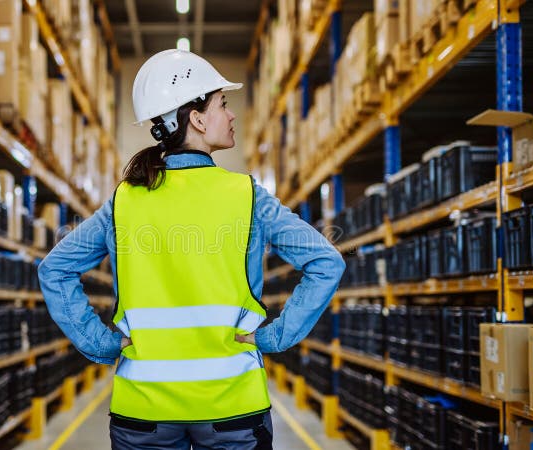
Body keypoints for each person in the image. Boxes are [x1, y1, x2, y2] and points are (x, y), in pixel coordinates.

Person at [38, 49, 345, 450]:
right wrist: (275, 338)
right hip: (233, 407)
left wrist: (103, 344)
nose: (231, 115)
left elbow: (54, 269)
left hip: (144, 411)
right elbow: (325, 260)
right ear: (197, 119)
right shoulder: (246, 196)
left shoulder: (125, 201)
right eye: (223, 104)